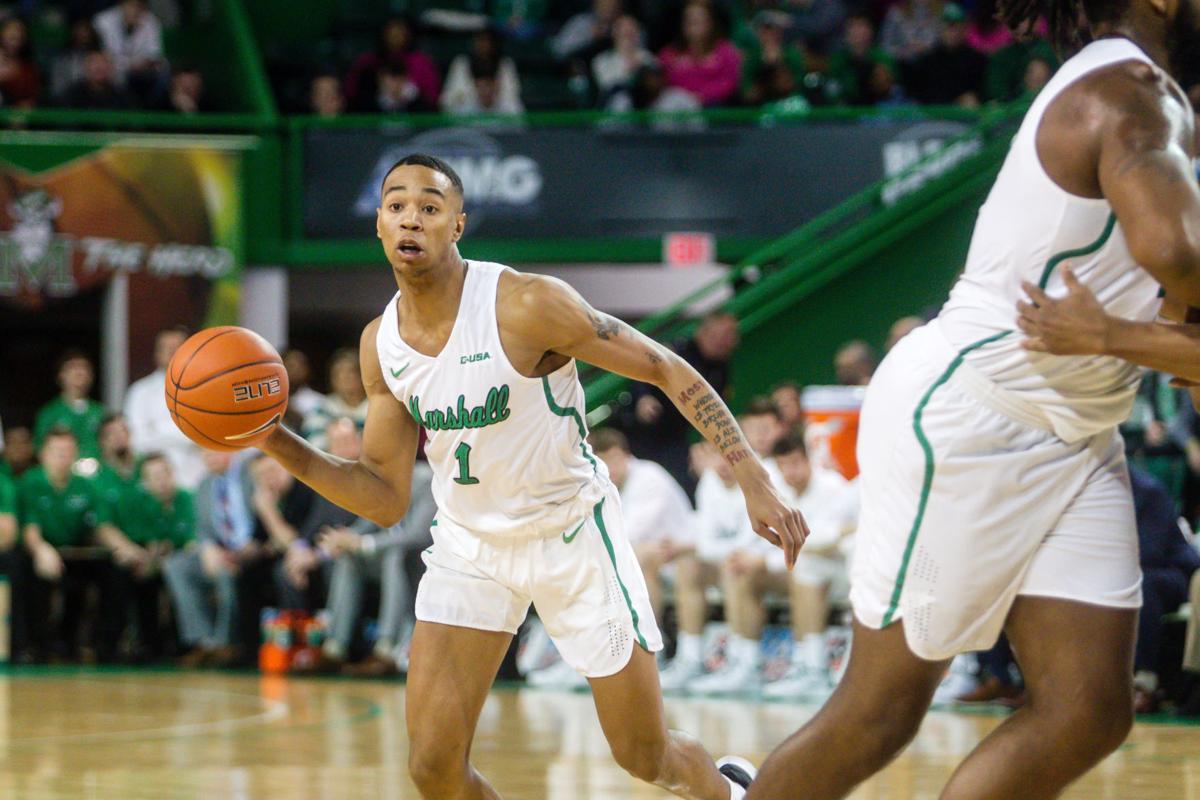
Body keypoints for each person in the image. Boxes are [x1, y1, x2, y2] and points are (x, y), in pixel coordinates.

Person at [746, 1, 1200, 794]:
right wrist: (1144, 329)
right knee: (880, 711)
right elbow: (1176, 253)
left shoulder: (1160, 98)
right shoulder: (1131, 91)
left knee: (1089, 710)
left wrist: (1127, 336)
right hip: (972, 413)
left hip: (1079, 427)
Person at [256, 154, 806, 799]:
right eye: (397, 206)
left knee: (643, 753)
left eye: (429, 207)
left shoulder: (525, 304)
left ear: (458, 224)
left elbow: (663, 366)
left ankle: (731, 791)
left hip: (570, 534)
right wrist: (271, 438)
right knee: (433, 768)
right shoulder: (382, 344)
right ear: (378, 223)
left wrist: (753, 476)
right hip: (470, 547)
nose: (411, 219)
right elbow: (381, 496)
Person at [689, 433, 856, 696]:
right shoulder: (774, 487)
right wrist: (750, 558)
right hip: (792, 567)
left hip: (839, 573)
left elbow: (821, 538)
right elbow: (760, 537)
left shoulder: (832, 486)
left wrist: (765, 559)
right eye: (783, 465)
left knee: (805, 567)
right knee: (741, 571)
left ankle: (812, 668)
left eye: (796, 463)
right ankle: (745, 664)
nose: (791, 472)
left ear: (809, 460)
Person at [309, 455, 437, 677]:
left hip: (421, 561)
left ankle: (385, 648)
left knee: (394, 556)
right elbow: (371, 519)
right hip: (390, 558)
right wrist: (345, 539)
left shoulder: (425, 478)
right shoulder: (387, 477)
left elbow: (418, 535)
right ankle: (335, 647)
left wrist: (364, 543)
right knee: (349, 558)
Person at [658, 441, 752, 691]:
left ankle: (741, 662)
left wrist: (700, 547)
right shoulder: (709, 482)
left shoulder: (758, 476)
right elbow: (707, 544)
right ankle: (690, 659)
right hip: (728, 560)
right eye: (716, 456)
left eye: (728, 456)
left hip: (767, 561)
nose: (722, 464)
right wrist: (696, 548)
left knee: (736, 566)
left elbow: (751, 542)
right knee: (688, 566)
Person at [17, 429, 116, 662]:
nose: (63, 457)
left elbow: (101, 525)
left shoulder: (85, 485)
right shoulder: (31, 482)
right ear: (44, 454)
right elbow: (30, 528)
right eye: (57, 451)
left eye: (68, 451)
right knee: (32, 572)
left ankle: (99, 646)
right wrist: (42, 550)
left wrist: (123, 548)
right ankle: (37, 645)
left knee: (110, 570)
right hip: (42, 549)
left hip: (76, 552)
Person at [626, 310, 740, 495]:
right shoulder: (677, 350)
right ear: (702, 332)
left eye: (731, 337)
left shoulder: (721, 366)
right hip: (645, 427)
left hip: (676, 433)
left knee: (687, 477)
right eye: (720, 336)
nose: (727, 342)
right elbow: (643, 369)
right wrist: (643, 397)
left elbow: (719, 405)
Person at [162, 450, 256, 667]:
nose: (208, 457)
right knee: (176, 565)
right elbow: (202, 529)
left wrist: (246, 549)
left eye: (213, 451)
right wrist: (208, 548)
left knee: (225, 573)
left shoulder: (250, 475)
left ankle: (226, 643)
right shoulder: (204, 485)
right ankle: (203, 641)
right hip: (220, 552)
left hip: (251, 549)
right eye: (204, 452)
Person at [97, 452, 193, 661]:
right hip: (149, 562)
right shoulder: (138, 503)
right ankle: (138, 644)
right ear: (145, 482)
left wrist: (156, 558)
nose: (161, 481)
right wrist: (143, 557)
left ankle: (183, 645)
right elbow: (147, 542)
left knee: (172, 574)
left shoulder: (186, 499)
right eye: (154, 477)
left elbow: (187, 542)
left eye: (164, 474)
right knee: (125, 574)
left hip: (178, 563)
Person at [124, 327, 204, 488]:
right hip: (154, 484)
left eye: (177, 348)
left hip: (197, 481)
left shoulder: (206, 389)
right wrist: (186, 434)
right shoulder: (140, 391)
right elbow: (137, 440)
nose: (171, 353)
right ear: (157, 353)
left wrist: (159, 430)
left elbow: (208, 436)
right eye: (166, 348)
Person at [343, 16, 441, 112]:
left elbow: (432, 99)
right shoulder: (367, 63)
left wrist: (413, 97)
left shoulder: (422, 63)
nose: (395, 37)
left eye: (399, 32)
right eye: (391, 32)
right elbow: (351, 95)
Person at [658, 1, 742, 107]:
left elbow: (729, 82)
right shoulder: (670, 54)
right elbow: (663, 80)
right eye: (689, 20)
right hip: (679, 105)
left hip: (713, 106)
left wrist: (702, 95)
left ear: (710, 23)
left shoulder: (725, 51)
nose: (693, 25)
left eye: (699, 20)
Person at [903, 3, 987, 106]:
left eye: (958, 27)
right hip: (936, 113)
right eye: (949, 27)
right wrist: (955, 102)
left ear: (965, 29)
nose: (954, 32)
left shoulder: (977, 60)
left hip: (969, 113)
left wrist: (975, 98)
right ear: (940, 28)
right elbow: (921, 96)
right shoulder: (927, 61)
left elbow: (983, 93)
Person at [34, 350, 106, 460]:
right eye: (73, 368)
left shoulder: (100, 412)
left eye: (84, 368)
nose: (79, 373)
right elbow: (39, 449)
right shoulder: (49, 413)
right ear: (61, 375)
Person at [93, 0, 167, 103]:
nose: (134, 10)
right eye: (131, 5)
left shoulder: (150, 21)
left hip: (139, 72)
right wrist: (129, 64)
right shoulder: (103, 20)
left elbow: (154, 54)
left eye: (139, 6)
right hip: (111, 70)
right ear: (121, 5)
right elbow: (104, 55)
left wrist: (142, 64)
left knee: (162, 73)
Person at [440, 30, 523, 116]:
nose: (483, 45)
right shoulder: (461, 62)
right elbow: (447, 100)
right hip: (468, 112)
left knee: (512, 107)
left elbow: (512, 96)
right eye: (480, 41)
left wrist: (493, 97)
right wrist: (476, 96)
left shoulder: (505, 63)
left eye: (487, 41)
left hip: (498, 113)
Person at [301, 348, 369, 448]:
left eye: (351, 372)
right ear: (332, 379)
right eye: (339, 373)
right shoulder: (322, 408)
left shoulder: (375, 407)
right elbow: (312, 443)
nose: (345, 377)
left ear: (362, 375)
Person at [592, 14, 655, 103]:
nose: (628, 33)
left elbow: (655, 83)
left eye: (632, 30)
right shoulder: (602, 60)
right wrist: (630, 71)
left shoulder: (647, 57)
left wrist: (642, 69)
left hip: (647, 102)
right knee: (622, 99)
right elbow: (607, 85)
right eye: (624, 31)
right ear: (614, 33)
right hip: (616, 102)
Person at [59, 48, 133, 109]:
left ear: (111, 68)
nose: (99, 67)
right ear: (86, 68)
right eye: (95, 64)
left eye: (103, 63)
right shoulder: (73, 94)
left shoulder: (120, 96)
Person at [0, 17, 41, 108]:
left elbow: (29, 101)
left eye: (19, 32)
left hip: (14, 114)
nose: (14, 34)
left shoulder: (28, 69)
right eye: (10, 32)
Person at [282, 348, 326, 422]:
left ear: (307, 371)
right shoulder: (269, 397)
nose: (295, 371)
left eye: (299, 367)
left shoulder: (317, 401)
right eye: (291, 366)